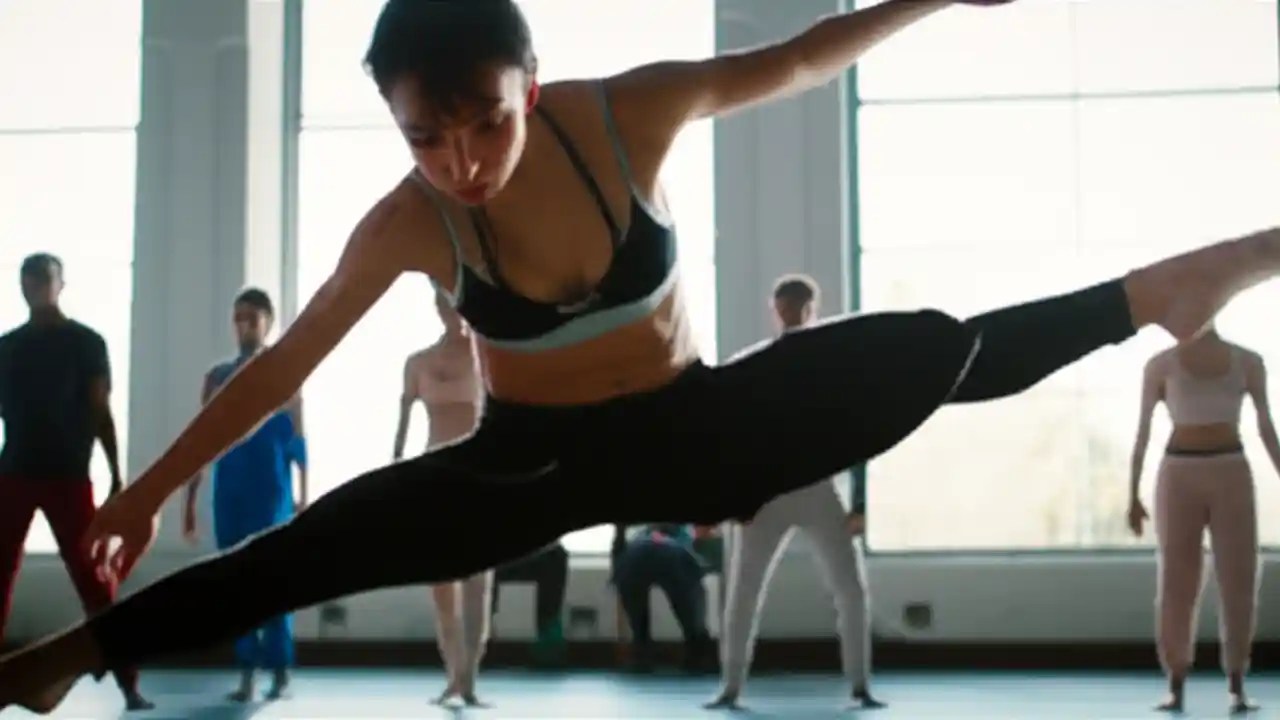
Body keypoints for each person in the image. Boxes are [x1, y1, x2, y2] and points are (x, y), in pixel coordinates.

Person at [2, 0, 1279, 712]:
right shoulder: (408, 222)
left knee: (925, 350)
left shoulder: (625, 119)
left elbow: (788, 59)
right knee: (310, 546)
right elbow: (286, 372)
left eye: (484, 124)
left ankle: (1151, 292)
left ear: (534, 88)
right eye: (423, 138)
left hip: (691, 428)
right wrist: (148, 487)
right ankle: (62, 663)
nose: (460, 163)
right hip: (523, 468)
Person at [706, 274, 879, 711]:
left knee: (851, 589)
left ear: (812, 308)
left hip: (818, 489)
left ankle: (860, 683)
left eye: (799, 308)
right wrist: (732, 501)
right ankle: (730, 685)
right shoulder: (757, 364)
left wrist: (859, 504)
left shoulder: (834, 369)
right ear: (775, 310)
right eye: (786, 309)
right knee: (743, 590)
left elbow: (858, 434)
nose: (793, 316)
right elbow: (734, 439)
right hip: (767, 493)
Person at [0, 254, 152, 712]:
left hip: (68, 475)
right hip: (14, 473)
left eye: (45, 280)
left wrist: (117, 474)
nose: (38, 288)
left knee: (93, 580)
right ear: (22, 286)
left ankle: (129, 682)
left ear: (60, 284)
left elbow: (99, 410)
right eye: (30, 281)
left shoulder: (85, 343)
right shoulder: (6, 348)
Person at [1128, 324, 1277, 715]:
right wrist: (1133, 494)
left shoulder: (1248, 362)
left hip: (1230, 470)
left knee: (1239, 577)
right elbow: (1143, 429)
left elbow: (1266, 426)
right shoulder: (1160, 365)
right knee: (1177, 580)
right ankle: (1175, 683)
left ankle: (1237, 684)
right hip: (1179, 473)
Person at [182, 288, 308, 702]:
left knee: (272, 581)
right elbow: (198, 442)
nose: (243, 326)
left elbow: (298, 442)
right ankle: (246, 671)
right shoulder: (217, 378)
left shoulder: (284, 374)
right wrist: (189, 503)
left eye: (251, 318)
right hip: (230, 491)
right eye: (238, 318)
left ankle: (280, 668)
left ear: (268, 321)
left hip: (271, 493)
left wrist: (305, 496)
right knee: (235, 584)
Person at [392, 291, 492, 707]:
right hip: (434, 476)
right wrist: (395, 477)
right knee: (441, 584)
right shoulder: (418, 362)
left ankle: (469, 678)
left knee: (477, 581)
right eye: (444, 304)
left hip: (479, 475)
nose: (451, 312)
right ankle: (452, 674)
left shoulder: (487, 356)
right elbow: (400, 431)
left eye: (457, 304)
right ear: (436, 306)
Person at [611, 523, 715, 674]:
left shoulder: (636, 534)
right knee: (690, 610)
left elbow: (618, 546)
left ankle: (641, 653)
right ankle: (698, 654)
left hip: (636, 556)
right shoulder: (684, 533)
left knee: (636, 612)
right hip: (673, 554)